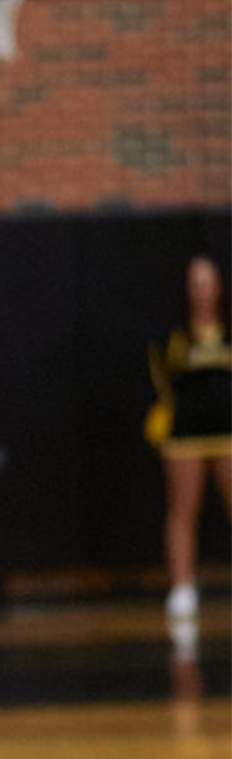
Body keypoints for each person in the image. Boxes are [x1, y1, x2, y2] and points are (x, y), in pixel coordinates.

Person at [146, 254, 232, 620]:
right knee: (182, 511)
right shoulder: (174, 336)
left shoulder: (228, 332)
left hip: (228, 432)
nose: (202, 290)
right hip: (186, 436)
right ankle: (182, 587)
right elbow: (162, 381)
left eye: (208, 281)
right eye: (195, 282)